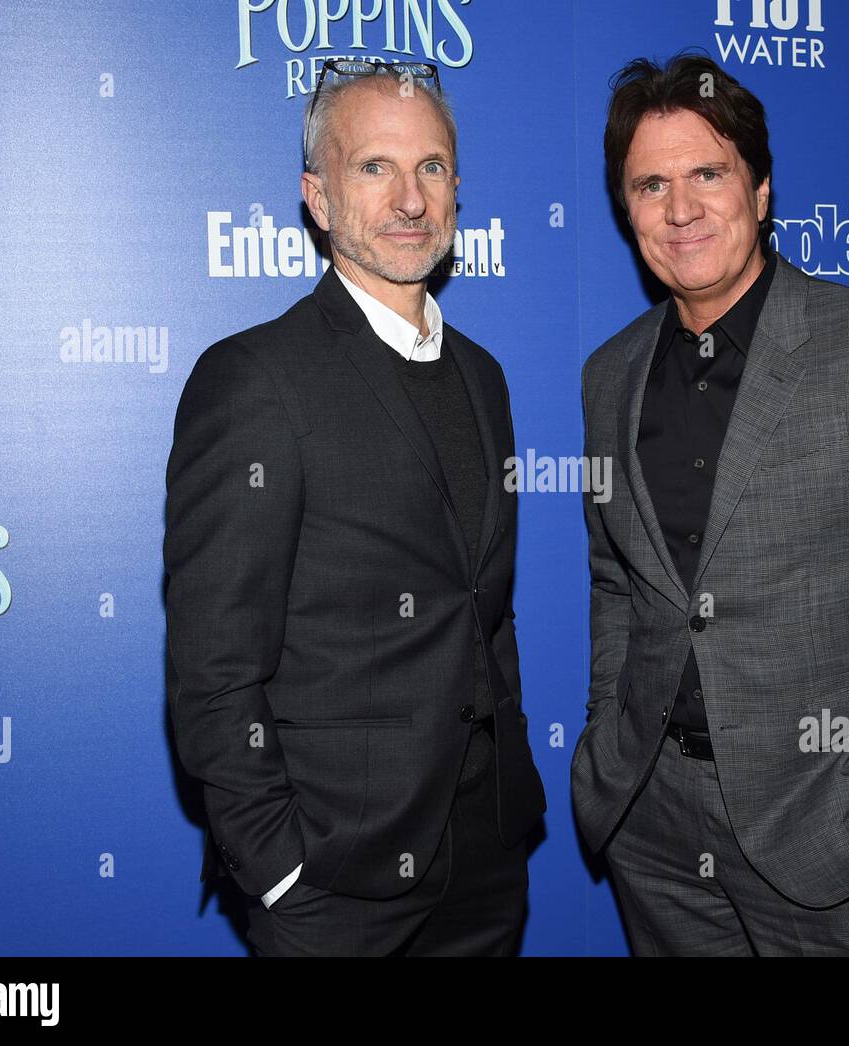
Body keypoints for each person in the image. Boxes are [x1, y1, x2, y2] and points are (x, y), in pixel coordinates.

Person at [570, 53, 849, 956]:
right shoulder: (607, 375)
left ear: (762, 191)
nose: (681, 207)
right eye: (651, 183)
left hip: (831, 836)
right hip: (654, 831)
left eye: (708, 173)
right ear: (627, 209)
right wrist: (608, 755)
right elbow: (617, 584)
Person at [164, 60, 544, 956]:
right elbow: (215, 665)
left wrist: (506, 820)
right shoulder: (256, 379)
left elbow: (481, 614)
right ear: (318, 198)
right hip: (336, 883)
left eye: (433, 168)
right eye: (374, 167)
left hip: (484, 865)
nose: (410, 198)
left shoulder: (483, 378)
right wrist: (279, 869)